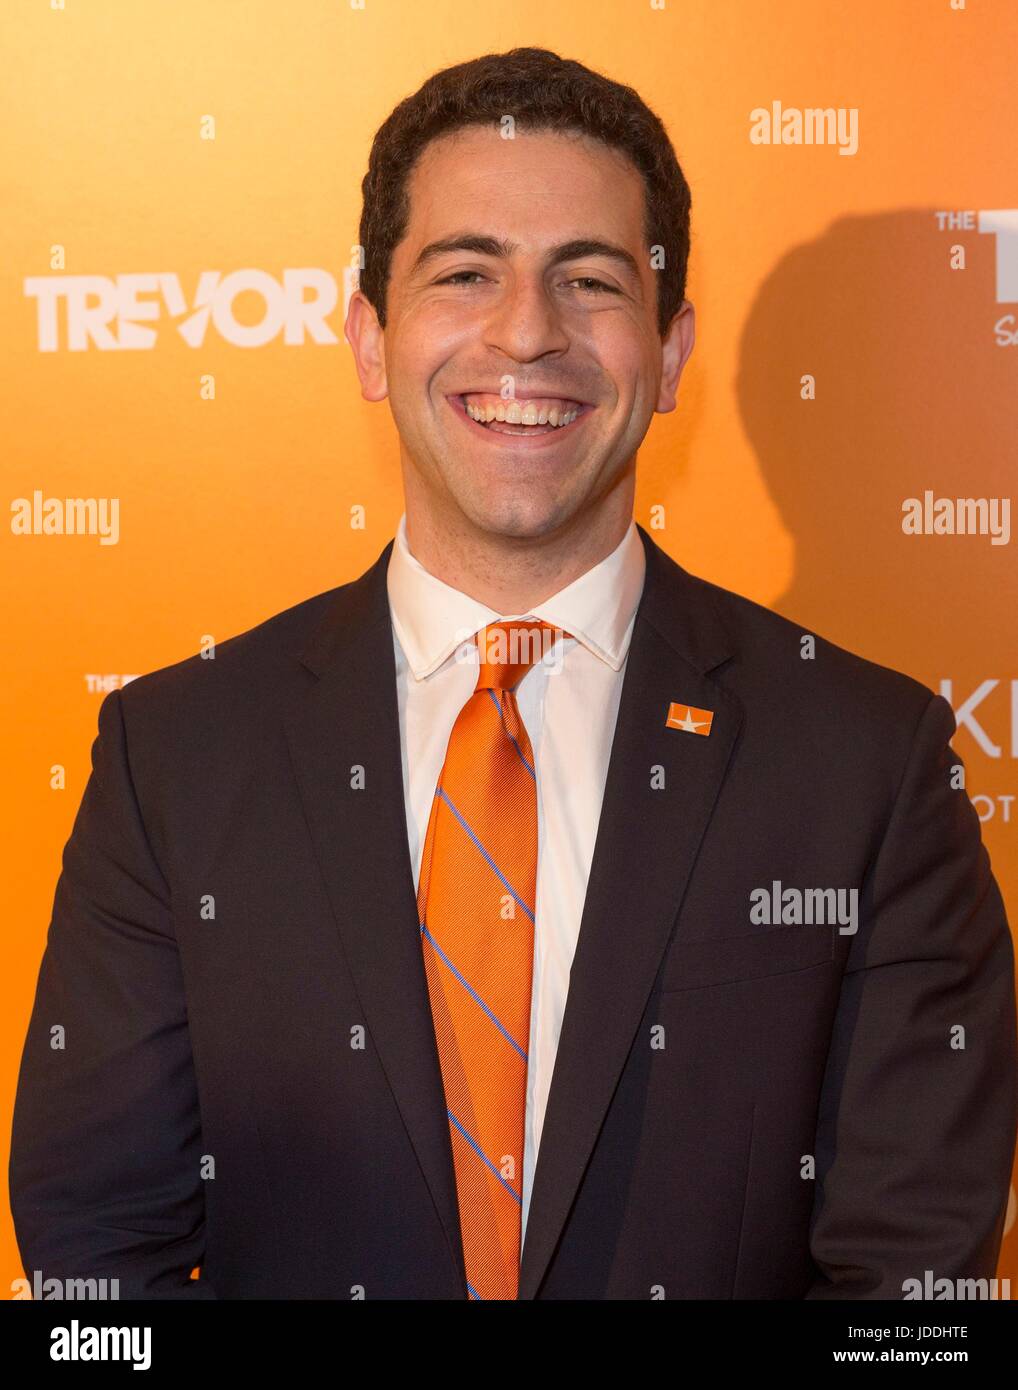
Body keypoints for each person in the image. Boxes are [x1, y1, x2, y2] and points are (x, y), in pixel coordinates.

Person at [10, 46, 1016, 1301]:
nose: (526, 333)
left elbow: (908, 1288)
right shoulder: (177, 753)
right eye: (465, 272)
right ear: (371, 335)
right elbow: (99, 1259)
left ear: (668, 349)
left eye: (589, 279)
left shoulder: (868, 760)